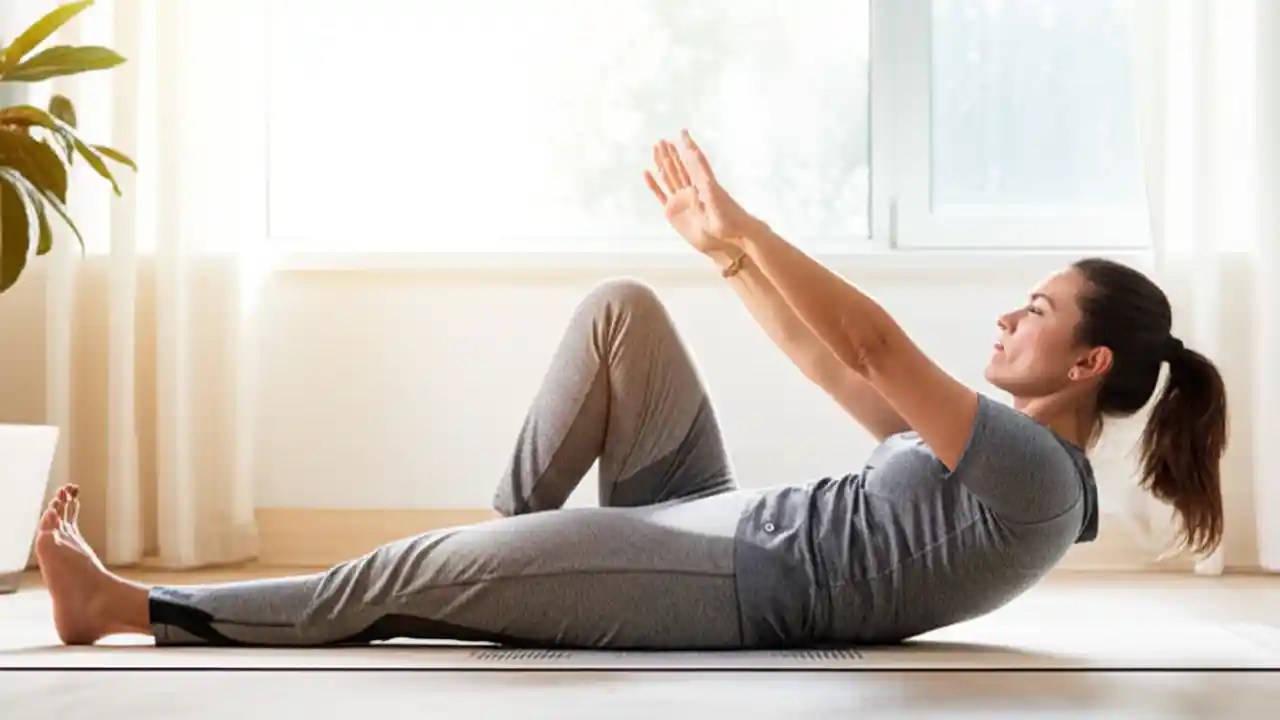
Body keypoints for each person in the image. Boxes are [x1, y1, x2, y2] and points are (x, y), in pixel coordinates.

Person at [33, 130, 1228, 648]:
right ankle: (506, 553)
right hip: (714, 523)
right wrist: (725, 256)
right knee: (625, 311)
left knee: (401, 572)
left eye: (1037, 309)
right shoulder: (993, 455)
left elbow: (867, 343)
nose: (1009, 316)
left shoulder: (1032, 477)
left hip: (733, 584)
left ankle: (128, 608)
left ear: (1088, 364)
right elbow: (826, 362)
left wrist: (752, 223)